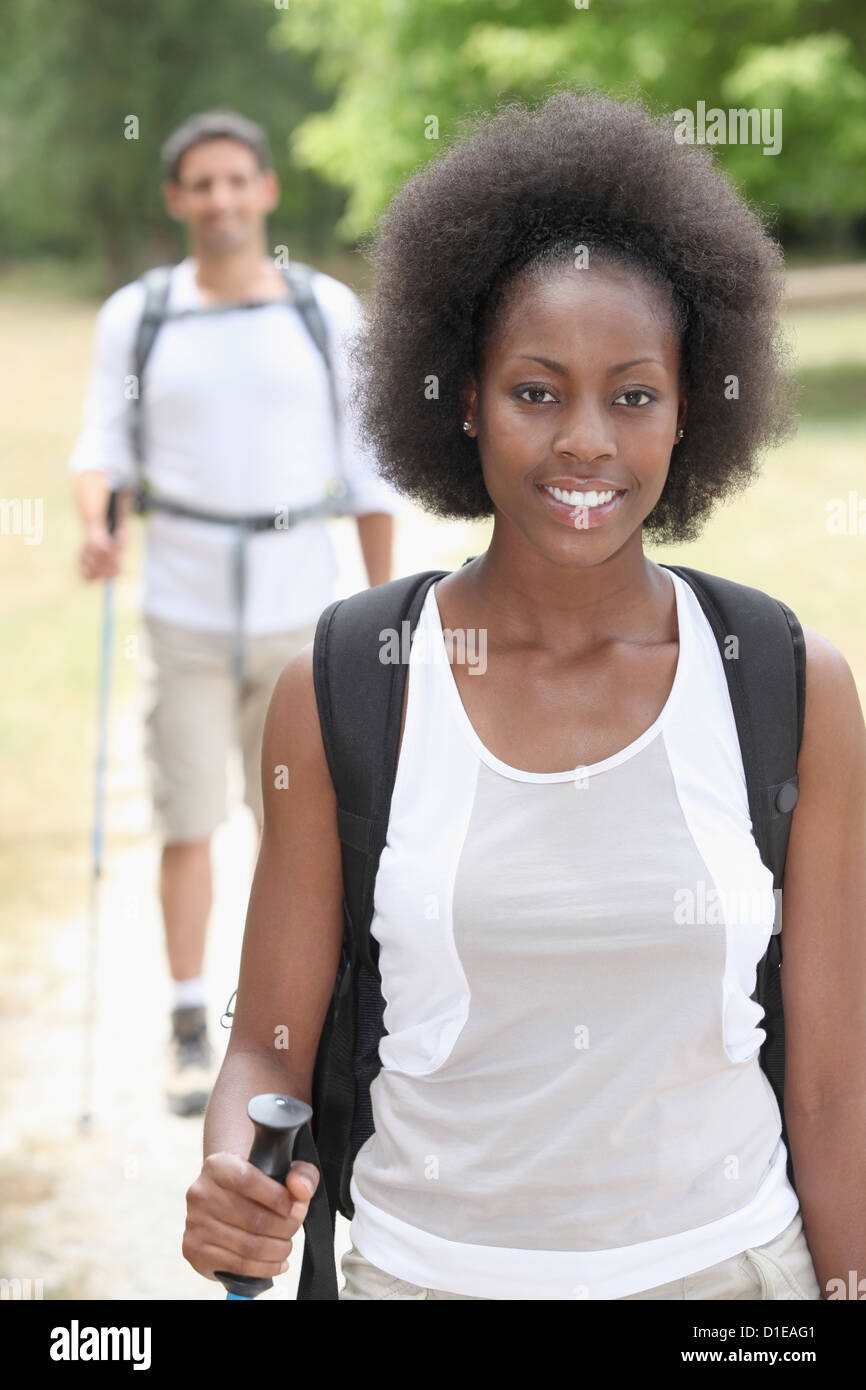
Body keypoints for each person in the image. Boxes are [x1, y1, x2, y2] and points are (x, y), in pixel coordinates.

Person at [181, 89, 866, 1300]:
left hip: (730, 1285)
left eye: (634, 394)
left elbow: (829, 1082)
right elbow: (265, 1047)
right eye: (536, 390)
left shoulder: (786, 684)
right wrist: (235, 1171)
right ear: (459, 397)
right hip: (427, 1276)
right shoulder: (346, 685)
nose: (585, 443)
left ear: (692, 405)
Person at [68, 109, 402, 1118]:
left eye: (234, 181)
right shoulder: (141, 314)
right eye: (198, 185)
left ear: (264, 191)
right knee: (187, 820)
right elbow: (100, 448)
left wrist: (380, 615)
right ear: (177, 200)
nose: (218, 200)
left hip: (306, 620)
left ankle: (298, 1023)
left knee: (299, 831)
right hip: (181, 610)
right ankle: (183, 1021)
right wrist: (96, 523)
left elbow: (369, 471)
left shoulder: (324, 309)